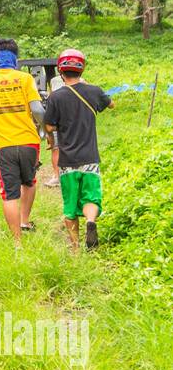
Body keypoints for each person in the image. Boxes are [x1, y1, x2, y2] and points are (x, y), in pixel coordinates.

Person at [0, 37, 46, 244]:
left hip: (3, 146)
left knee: (9, 194)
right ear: (16, 59)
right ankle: (25, 220)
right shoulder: (25, 78)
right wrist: (47, 131)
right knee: (29, 182)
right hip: (29, 142)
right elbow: (38, 110)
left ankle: (17, 241)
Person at [43, 49, 114, 251]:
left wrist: (59, 127)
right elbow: (111, 105)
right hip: (90, 157)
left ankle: (75, 249)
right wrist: (88, 85)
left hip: (67, 161)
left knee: (70, 206)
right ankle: (91, 221)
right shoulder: (94, 91)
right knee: (91, 197)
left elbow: (48, 126)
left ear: (60, 70)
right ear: (82, 69)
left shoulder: (56, 97)